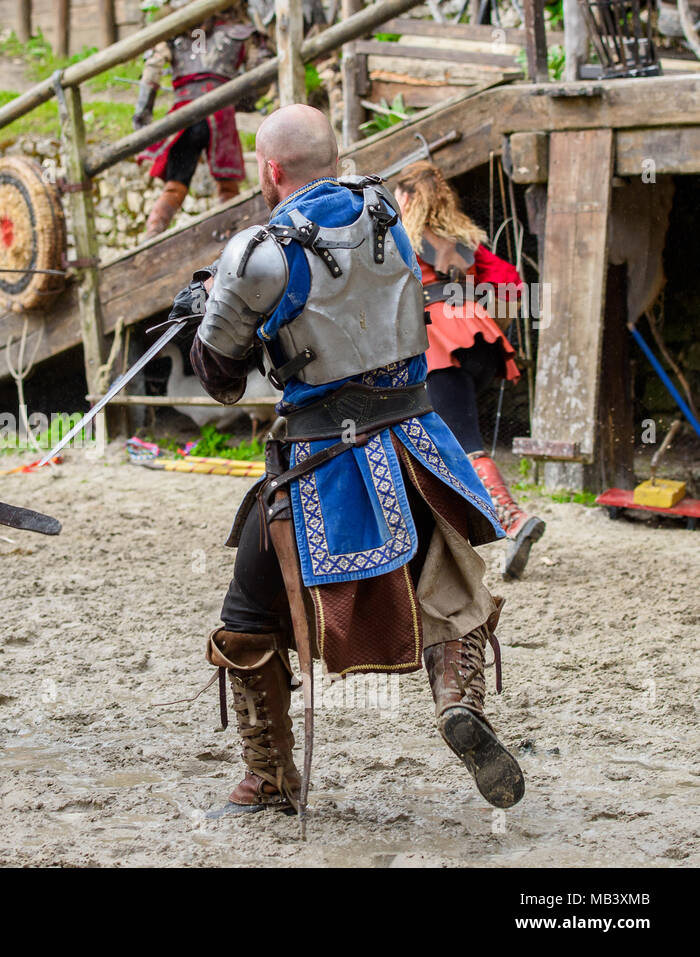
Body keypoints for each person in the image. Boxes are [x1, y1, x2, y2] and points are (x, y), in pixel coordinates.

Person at [176, 105, 525, 820]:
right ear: (332, 155)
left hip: (324, 458)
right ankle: (456, 700)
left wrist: (204, 306)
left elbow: (221, 377)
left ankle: (269, 776)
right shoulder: (388, 212)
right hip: (419, 440)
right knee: (447, 580)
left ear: (270, 170)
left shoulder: (257, 252)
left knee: (247, 616)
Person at [393, 161, 544, 579]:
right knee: (433, 440)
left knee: (461, 440)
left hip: (439, 345)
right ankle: (436, 542)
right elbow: (512, 283)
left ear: (406, 197)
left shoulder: (398, 240)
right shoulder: (465, 241)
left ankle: (511, 518)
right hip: (479, 343)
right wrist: (487, 318)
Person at [133, 2, 265, 239]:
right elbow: (261, 70)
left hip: (185, 115)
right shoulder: (238, 29)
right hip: (220, 115)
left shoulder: (172, 31)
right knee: (227, 188)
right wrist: (244, 101)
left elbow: (151, 72)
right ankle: (233, 241)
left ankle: (151, 236)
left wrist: (142, 118)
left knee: (175, 185)